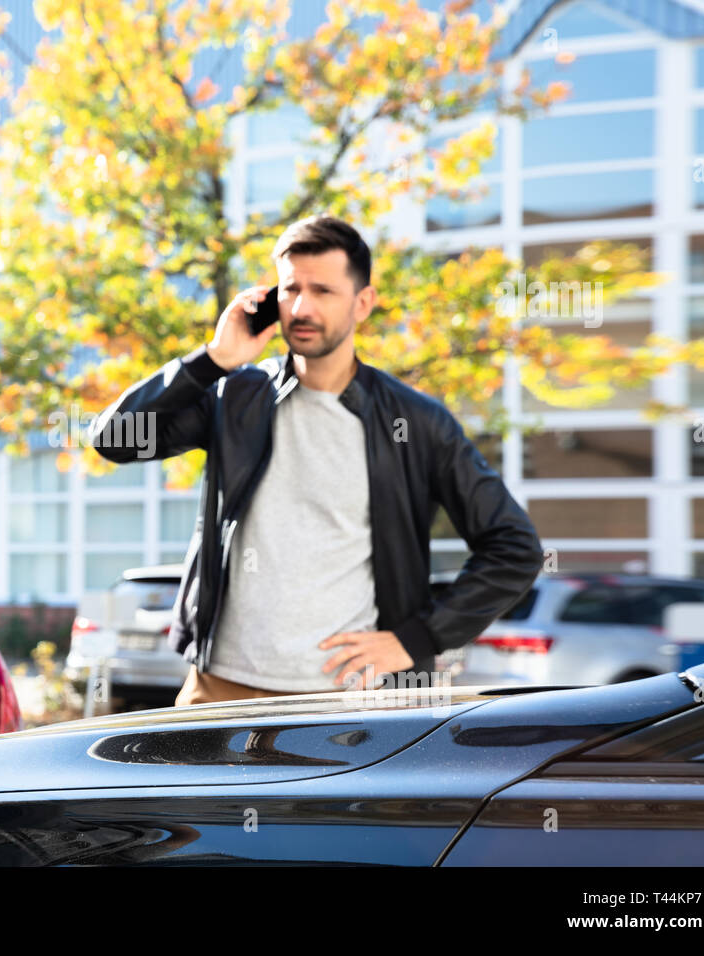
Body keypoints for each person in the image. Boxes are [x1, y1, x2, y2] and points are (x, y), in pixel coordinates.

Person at [86, 214, 543, 706]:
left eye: (322, 291)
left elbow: (515, 548)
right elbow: (115, 440)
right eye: (290, 290)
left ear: (362, 303)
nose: (301, 307)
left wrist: (416, 639)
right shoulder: (234, 396)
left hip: (347, 700)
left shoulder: (415, 421)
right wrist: (212, 359)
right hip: (219, 689)